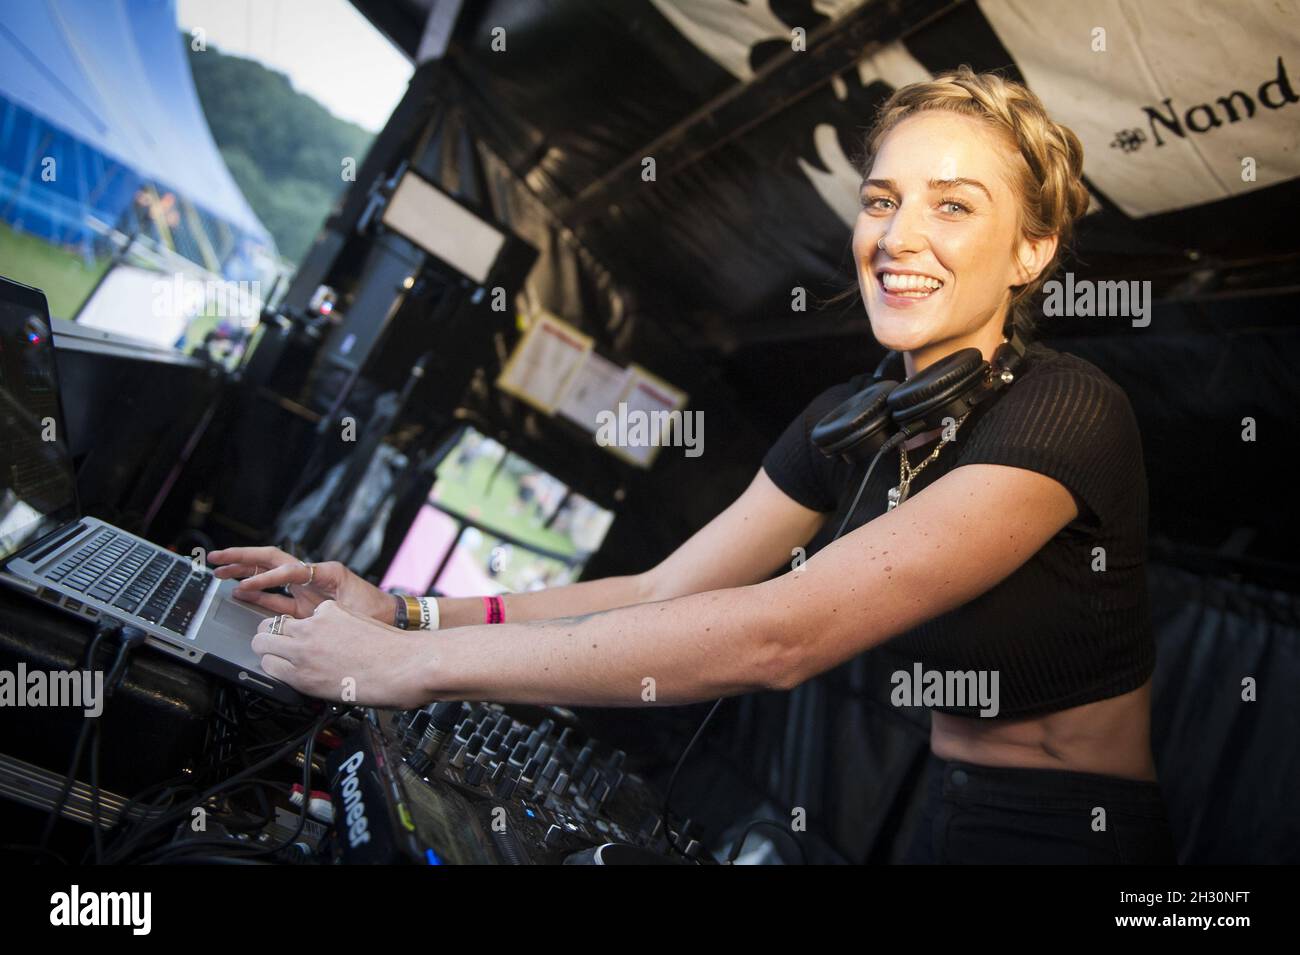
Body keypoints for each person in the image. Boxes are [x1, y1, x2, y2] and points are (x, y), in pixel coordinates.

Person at [209, 66, 1176, 864]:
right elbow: (662, 585)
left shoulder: (1069, 411)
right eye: (883, 199)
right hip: (950, 816)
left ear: (1033, 249)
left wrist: (411, 668)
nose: (899, 236)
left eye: (954, 206)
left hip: (1076, 833)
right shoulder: (846, 421)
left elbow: (778, 634)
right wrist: (408, 611)